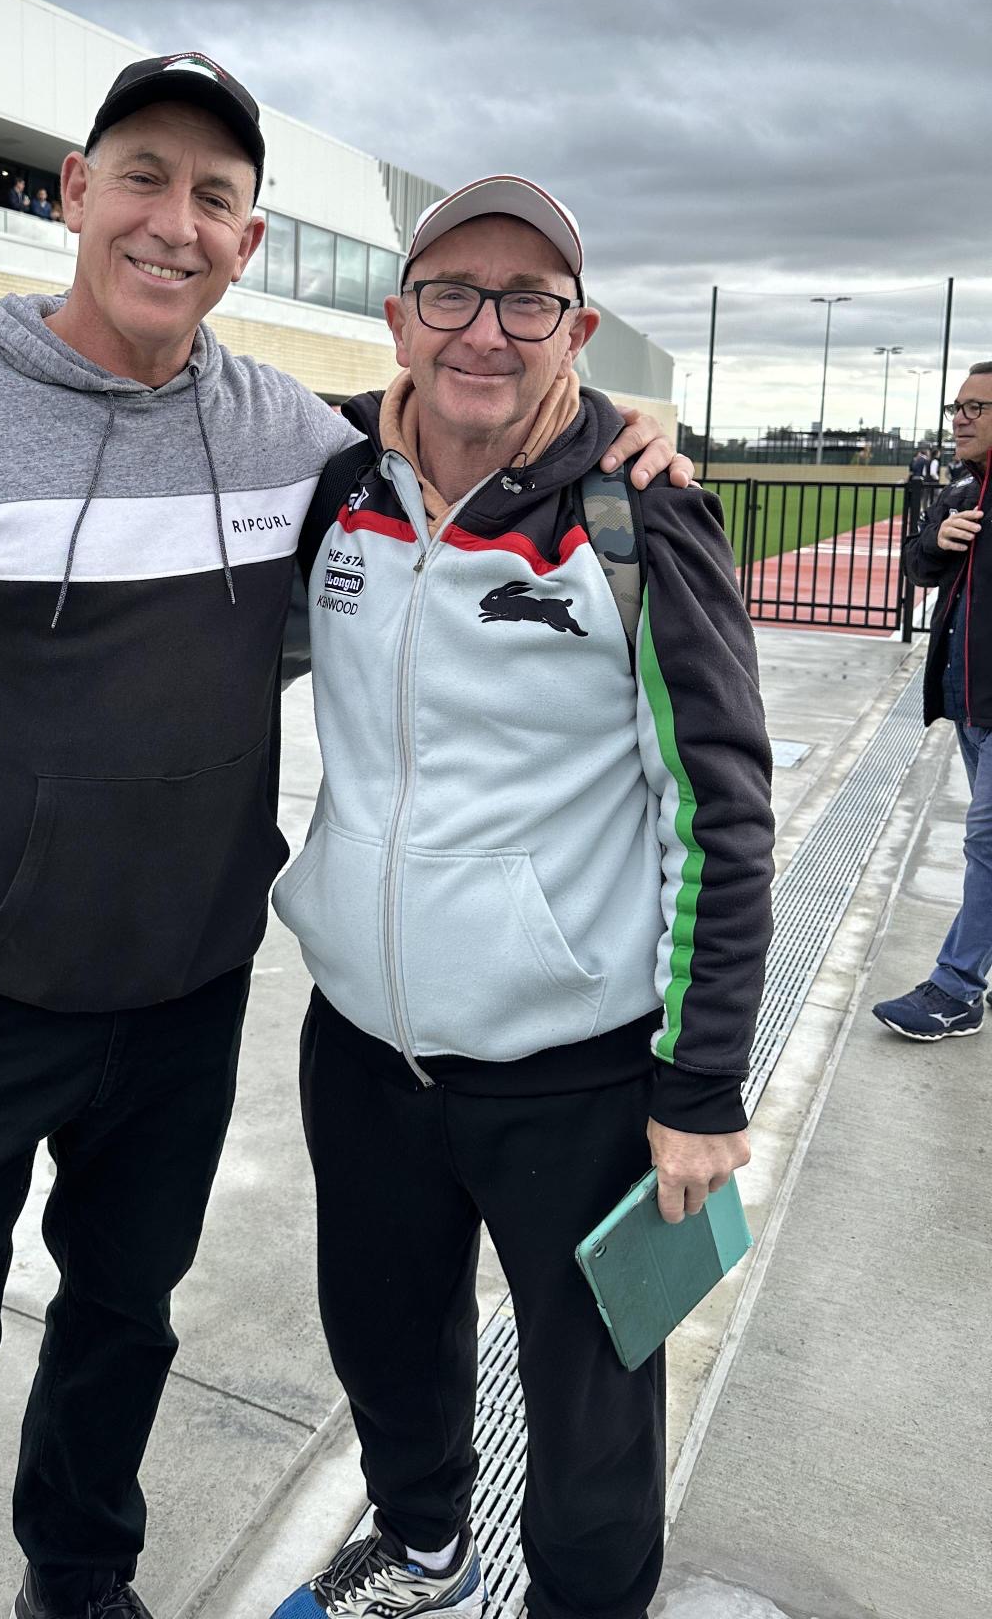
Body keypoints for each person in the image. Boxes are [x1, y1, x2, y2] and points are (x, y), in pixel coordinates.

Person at [0, 55, 684, 1619]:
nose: (173, 223)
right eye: (143, 178)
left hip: (184, 1003)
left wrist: (621, 429)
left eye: (213, 197)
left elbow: (467, 410)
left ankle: (81, 1583)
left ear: (249, 241)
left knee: (123, 1322)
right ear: (74, 193)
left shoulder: (288, 437)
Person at [269, 176, 774, 1619]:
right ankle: (426, 1551)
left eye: (528, 301)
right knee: (382, 1340)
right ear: (398, 319)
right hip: (365, 1044)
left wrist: (701, 1083)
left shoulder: (639, 514)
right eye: (453, 294)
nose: (485, 330)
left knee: (594, 1404)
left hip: (579, 1070)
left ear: (577, 330)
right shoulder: (336, 490)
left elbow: (720, 810)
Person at [874, 368, 992, 1040]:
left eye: (977, 406)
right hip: (968, 701)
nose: (960, 418)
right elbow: (918, 567)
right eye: (957, 406)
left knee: (986, 843)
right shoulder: (961, 493)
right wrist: (934, 540)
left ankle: (957, 988)